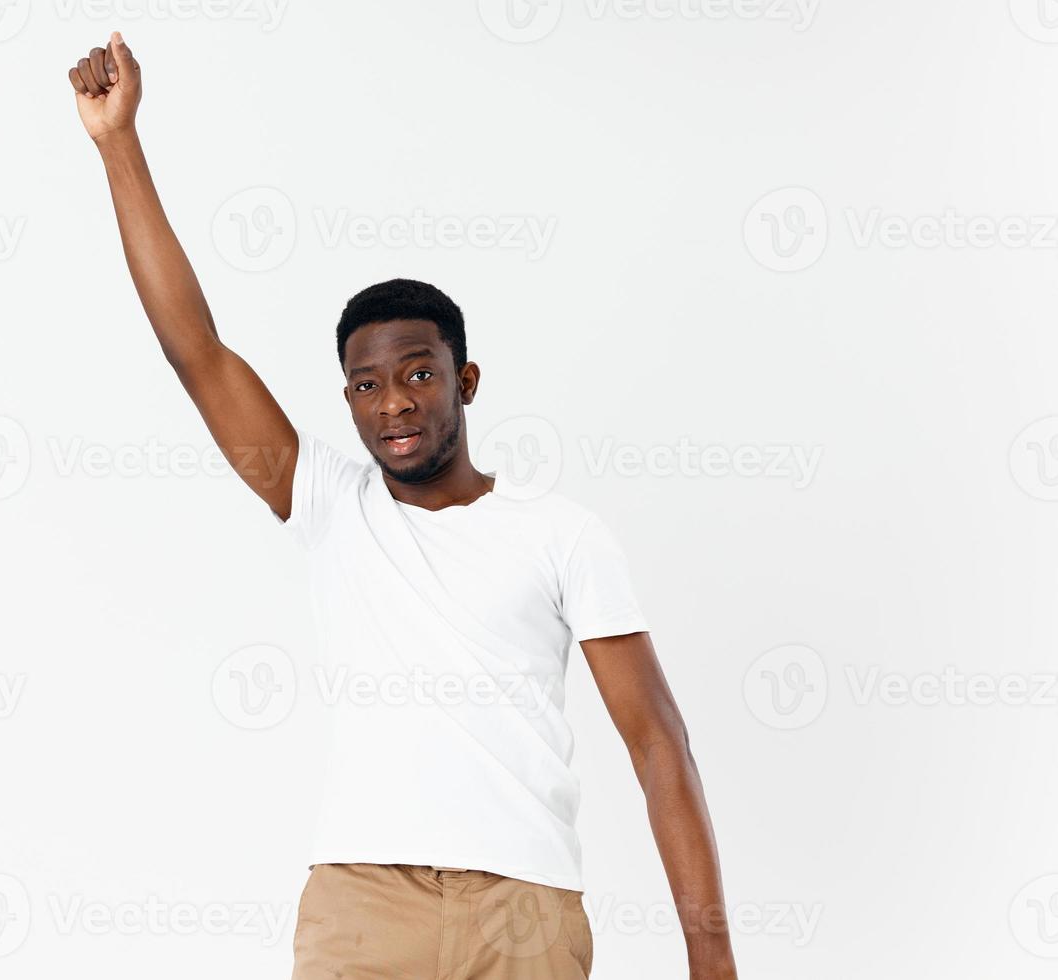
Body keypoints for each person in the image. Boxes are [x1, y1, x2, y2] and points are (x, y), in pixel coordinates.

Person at [69, 33, 739, 980]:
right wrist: (119, 146)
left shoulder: (561, 535)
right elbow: (199, 352)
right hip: (361, 902)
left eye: (419, 374)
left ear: (464, 380)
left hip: (525, 908)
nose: (395, 403)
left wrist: (711, 959)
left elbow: (659, 747)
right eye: (368, 385)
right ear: (348, 400)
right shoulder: (330, 504)